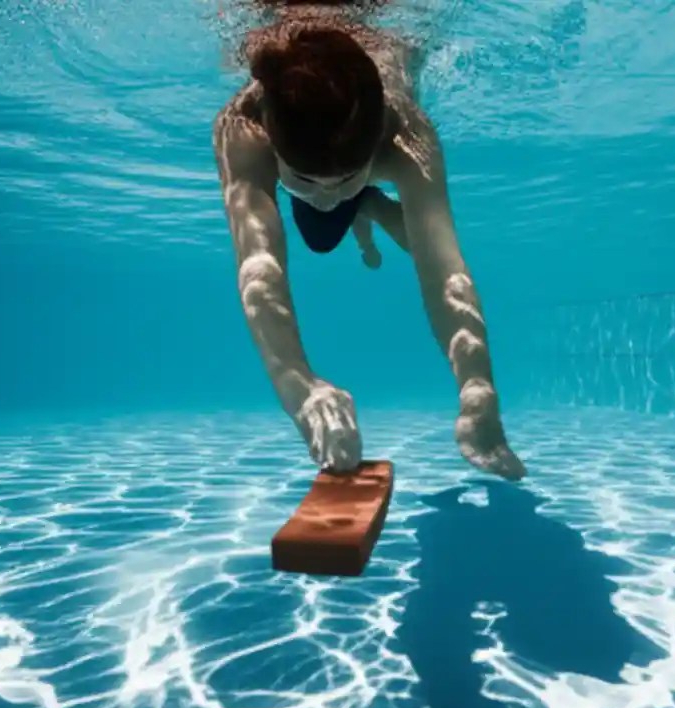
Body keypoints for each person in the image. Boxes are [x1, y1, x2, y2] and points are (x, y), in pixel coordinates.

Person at [212, 0, 526, 480]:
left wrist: (477, 388)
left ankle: (369, 202)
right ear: (274, 148)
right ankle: (366, 202)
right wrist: (300, 387)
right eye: (306, 180)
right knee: (320, 233)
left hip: (362, 160)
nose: (326, 196)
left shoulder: (407, 138)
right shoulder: (244, 130)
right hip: (331, 159)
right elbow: (259, 267)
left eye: (345, 180)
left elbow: (444, 271)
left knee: (407, 239)